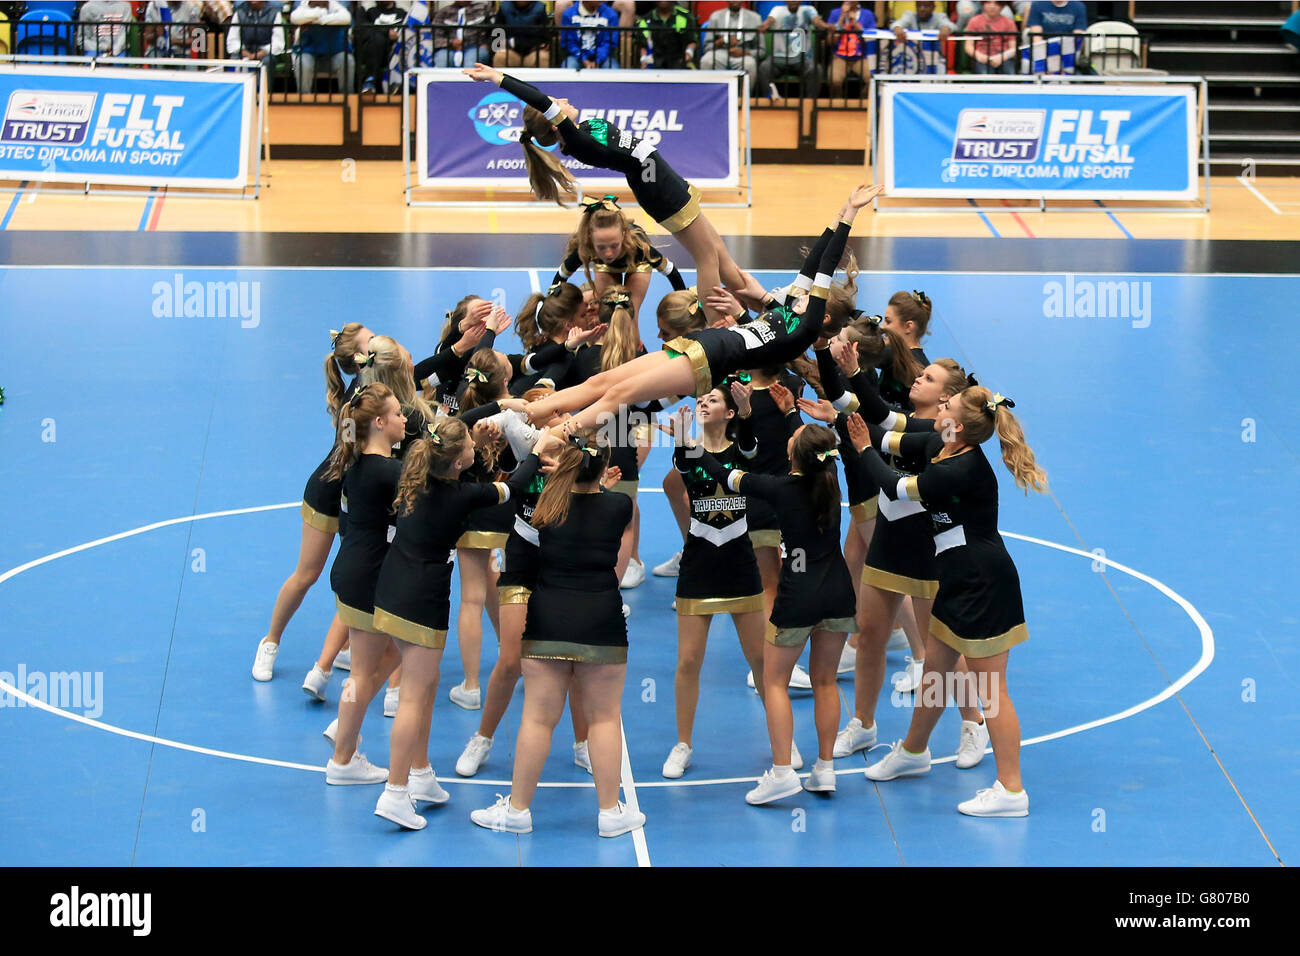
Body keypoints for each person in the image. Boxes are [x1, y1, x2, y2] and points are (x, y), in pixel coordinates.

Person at [519, 186, 882, 446]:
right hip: (698, 343)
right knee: (605, 383)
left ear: (824, 319)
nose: (797, 296)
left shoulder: (801, 334)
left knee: (620, 393)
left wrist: (851, 216)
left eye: (807, 301)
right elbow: (813, 261)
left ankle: (548, 441)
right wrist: (838, 213)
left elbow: (825, 268)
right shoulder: (785, 311)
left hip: (709, 359)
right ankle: (525, 417)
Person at [847, 383, 1047, 816]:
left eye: (948, 405)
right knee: (937, 669)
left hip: (983, 584)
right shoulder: (942, 444)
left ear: (957, 423)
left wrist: (862, 450)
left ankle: (1012, 790)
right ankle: (915, 751)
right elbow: (889, 439)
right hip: (956, 580)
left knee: (991, 691)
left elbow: (893, 484)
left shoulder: (958, 470)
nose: (940, 406)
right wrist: (844, 409)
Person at [464, 63, 769, 327]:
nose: (564, 100)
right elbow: (538, 99)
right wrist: (496, 76)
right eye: (558, 103)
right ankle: (717, 331)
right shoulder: (574, 136)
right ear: (554, 123)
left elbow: (545, 103)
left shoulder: (578, 130)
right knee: (707, 258)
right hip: (660, 188)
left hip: (661, 181)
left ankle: (763, 310)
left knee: (719, 253)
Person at [371, 418, 551, 829]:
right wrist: (538, 449)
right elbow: (512, 487)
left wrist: (481, 433)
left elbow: (449, 440)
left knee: (426, 686)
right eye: (470, 443)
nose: (475, 442)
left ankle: (420, 774)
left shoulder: (418, 472)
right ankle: (395, 793)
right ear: (456, 464)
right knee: (414, 697)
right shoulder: (460, 497)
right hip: (422, 600)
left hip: (392, 590)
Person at [470, 428, 644, 837]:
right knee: (603, 718)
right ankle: (609, 813)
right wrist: (599, 487)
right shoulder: (619, 505)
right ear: (603, 469)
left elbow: (537, 505)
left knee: (537, 719)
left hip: (547, 618)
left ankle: (517, 811)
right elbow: (601, 505)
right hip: (601, 620)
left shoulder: (546, 507)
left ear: (564, 468)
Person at [691, 418, 854, 804]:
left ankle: (782, 771)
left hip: (799, 595)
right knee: (826, 682)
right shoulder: (830, 480)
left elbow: (726, 476)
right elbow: (819, 449)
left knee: (774, 681)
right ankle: (825, 768)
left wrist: (693, 444)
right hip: (839, 591)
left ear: (794, 454)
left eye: (793, 436)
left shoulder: (781, 489)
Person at [453, 388, 595, 777]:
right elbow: (501, 422)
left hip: (563, 567)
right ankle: (482, 738)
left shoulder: (580, 451)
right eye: (548, 412)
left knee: (575, 661)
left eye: (563, 411)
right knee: (511, 660)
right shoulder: (528, 446)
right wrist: (488, 423)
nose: (557, 418)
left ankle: (583, 742)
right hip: (523, 561)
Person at [658, 386, 773, 778]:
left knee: (760, 658)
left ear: (729, 413)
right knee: (689, 660)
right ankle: (683, 743)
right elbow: (687, 465)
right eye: (700, 399)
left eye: (713, 400)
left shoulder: (743, 449)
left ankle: (780, 739)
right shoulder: (689, 452)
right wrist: (682, 441)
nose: (703, 402)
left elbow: (751, 448)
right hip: (700, 564)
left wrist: (747, 414)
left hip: (741, 563)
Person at [322, 383, 408, 786]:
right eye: (398, 413)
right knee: (360, 673)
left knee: (392, 654)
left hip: (356, 570)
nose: (405, 418)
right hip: (366, 577)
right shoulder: (384, 471)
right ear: (379, 422)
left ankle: (344, 725)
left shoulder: (361, 462)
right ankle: (343, 760)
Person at [552, 196, 688, 320]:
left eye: (614, 245)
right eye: (601, 247)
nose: (609, 253)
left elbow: (670, 271)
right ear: (591, 240)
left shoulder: (639, 247)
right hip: (606, 267)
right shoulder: (587, 248)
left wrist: (683, 298)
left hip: (637, 264)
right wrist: (552, 300)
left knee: (629, 317)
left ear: (623, 236)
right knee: (608, 317)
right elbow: (561, 276)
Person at [757, 1, 824, 99]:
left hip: (802, 59)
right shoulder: (777, 10)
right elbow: (769, 21)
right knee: (764, 67)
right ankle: (770, 98)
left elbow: (817, 22)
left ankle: (809, 102)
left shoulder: (808, 9)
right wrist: (764, 26)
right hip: (779, 59)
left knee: (816, 69)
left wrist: (827, 26)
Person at [290, 0, 355, 93]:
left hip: (335, 54)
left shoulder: (335, 5)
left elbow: (346, 18)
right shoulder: (303, 6)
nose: (320, 3)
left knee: (347, 60)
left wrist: (319, 20)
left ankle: (347, 99)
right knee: (302, 62)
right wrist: (320, 12)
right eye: (316, 3)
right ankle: (304, 99)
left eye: (323, 3)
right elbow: (295, 18)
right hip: (309, 54)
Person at [700, 1, 764, 91]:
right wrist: (720, 41)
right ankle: (710, 97)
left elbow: (761, 51)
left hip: (744, 54)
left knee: (750, 65)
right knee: (707, 61)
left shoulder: (755, 18)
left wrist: (744, 52)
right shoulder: (716, 16)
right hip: (720, 52)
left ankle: (743, 100)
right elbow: (707, 47)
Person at [826, 1, 878, 98]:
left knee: (873, 79)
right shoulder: (835, 13)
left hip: (862, 57)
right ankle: (837, 105)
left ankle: (864, 104)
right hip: (840, 57)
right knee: (834, 79)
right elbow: (830, 41)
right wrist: (842, 17)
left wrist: (854, 23)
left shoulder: (868, 14)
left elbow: (871, 39)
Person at [355, 0, 403, 92]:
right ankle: (370, 82)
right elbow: (362, 29)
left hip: (395, 51)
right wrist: (386, 32)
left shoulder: (402, 13)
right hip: (374, 51)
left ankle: (397, 85)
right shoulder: (369, 12)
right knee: (377, 39)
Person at [636, 1, 699, 70]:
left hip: (680, 63)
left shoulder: (686, 17)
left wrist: (688, 54)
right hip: (654, 65)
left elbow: (692, 41)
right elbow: (643, 46)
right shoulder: (645, 20)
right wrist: (643, 60)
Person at [430, 0, 494, 68]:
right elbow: (435, 36)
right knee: (442, 61)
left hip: (476, 47)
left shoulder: (484, 9)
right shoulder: (443, 12)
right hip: (449, 48)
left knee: (470, 63)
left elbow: (496, 30)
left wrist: (488, 45)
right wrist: (451, 43)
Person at [559, 0, 620, 69]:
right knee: (569, 67)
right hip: (576, 56)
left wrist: (598, 60)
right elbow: (568, 42)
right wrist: (583, 59)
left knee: (613, 69)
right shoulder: (568, 14)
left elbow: (609, 43)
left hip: (604, 57)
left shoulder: (611, 14)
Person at [493, 0, 552, 68]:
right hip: (510, 52)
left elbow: (545, 39)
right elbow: (497, 40)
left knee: (543, 57)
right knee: (500, 56)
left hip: (533, 52)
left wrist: (512, 42)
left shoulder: (540, 8)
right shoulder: (504, 7)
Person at [964, 0, 1017, 73]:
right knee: (984, 76)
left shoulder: (1009, 23)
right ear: (983, 4)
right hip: (981, 58)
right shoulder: (974, 21)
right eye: (988, 3)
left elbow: (1013, 48)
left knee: (1010, 75)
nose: (992, 6)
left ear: (1002, 6)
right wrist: (981, 57)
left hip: (1004, 59)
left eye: (996, 3)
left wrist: (1001, 57)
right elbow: (968, 46)